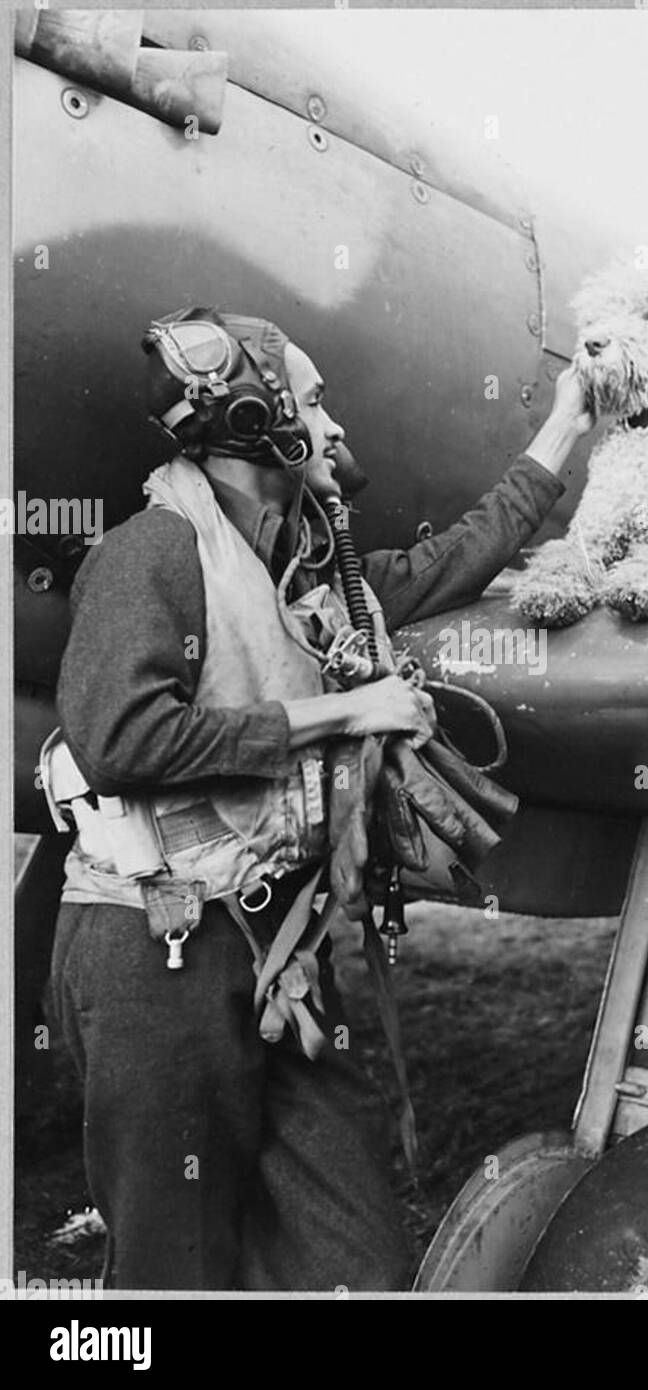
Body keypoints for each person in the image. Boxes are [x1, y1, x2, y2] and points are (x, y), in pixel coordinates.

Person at [47, 307, 592, 1291]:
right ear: (257, 420)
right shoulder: (149, 554)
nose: (333, 419)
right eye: (313, 395)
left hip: (281, 959)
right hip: (153, 959)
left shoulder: (309, 576)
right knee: (177, 1269)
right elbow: (122, 740)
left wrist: (565, 422)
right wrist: (341, 715)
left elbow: (454, 556)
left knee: (354, 1262)